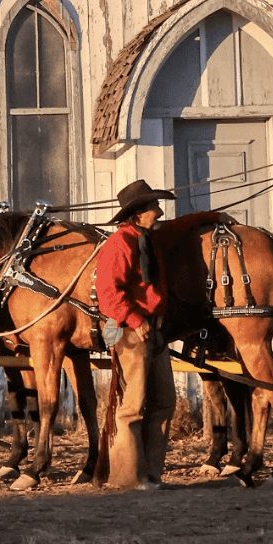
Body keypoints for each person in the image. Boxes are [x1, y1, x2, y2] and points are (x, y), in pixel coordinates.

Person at [97, 179, 176, 490]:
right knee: (132, 407)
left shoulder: (148, 241)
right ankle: (128, 477)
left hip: (153, 329)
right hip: (131, 331)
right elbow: (108, 294)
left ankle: (151, 473)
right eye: (154, 206)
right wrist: (135, 319)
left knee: (164, 401)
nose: (159, 212)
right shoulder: (119, 245)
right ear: (138, 214)